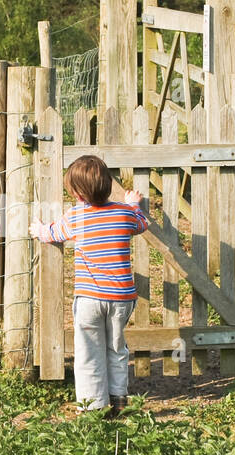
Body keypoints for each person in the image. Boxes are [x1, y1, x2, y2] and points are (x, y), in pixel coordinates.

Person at [29, 155, 149, 417]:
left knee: (88, 353)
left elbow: (52, 234)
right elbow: (141, 224)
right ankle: (118, 400)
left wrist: (38, 228)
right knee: (117, 348)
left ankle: (92, 408)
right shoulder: (125, 214)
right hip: (121, 299)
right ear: (107, 185)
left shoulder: (76, 216)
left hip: (90, 299)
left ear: (76, 193)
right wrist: (133, 204)